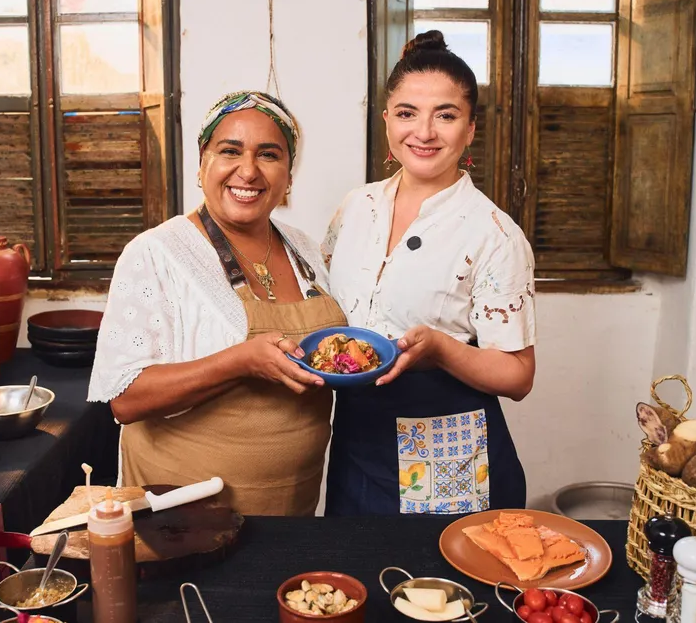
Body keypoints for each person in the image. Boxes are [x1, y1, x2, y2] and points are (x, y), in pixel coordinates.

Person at [87, 90, 347, 516]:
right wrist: (239, 362)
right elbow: (126, 398)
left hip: (291, 504)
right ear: (201, 164)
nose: (248, 171)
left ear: (289, 175)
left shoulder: (304, 249)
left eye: (269, 154)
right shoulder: (158, 252)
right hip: (183, 513)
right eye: (230, 151)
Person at [321, 31, 537, 516]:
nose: (423, 132)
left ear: (470, 129)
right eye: (406, 113)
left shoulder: (494, 234)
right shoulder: (356, 208)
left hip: (446, 447)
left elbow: (519, 375)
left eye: (445, 114)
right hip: (357, 438)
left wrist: (439, 349)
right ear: (386, 121)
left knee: (438, 587)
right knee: (355, 577)